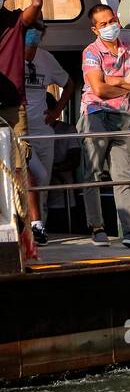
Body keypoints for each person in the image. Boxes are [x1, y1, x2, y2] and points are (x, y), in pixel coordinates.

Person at [80, 4, 130, 249]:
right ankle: (97, 227)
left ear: (118, 21)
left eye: (111, 21)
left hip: (122, 116)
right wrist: (127, 82)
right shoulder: (91, 52)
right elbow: (98, 89)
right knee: (93, 174)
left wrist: (115, 80)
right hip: (96, 114)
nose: (109, 27)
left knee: (123, 175)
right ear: (95, 29)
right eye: (103, 24)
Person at [0, 0, 43, 260]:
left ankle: (30, 228)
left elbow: (37, 3)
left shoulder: (16, 22)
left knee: (20, 164)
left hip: (13, 104)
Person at [23, 19, 73, 245]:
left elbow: (69, 84)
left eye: (37, 32)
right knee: (36, 177)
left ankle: (41, 231)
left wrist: (56, 113)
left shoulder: (46, 58)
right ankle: (31, 226)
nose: (34, 36)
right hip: (20, 131)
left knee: (44, 183)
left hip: (44, 130)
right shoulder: (9, 55)